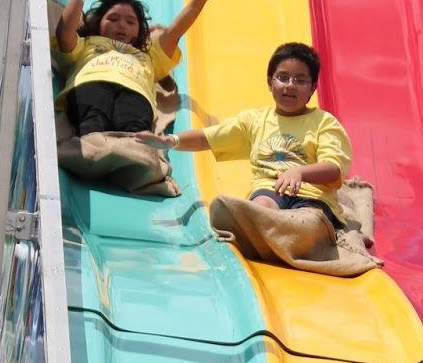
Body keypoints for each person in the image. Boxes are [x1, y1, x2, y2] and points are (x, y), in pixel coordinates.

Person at [138, 41, 350, 227]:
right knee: (261, 206)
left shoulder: (324, 122)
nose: (289, 86)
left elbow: (333, 170)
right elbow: (207, 137)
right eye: (282, 78)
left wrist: (299, 173)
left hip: (312, 198)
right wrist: (171, 141)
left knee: (308, 220)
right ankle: (261, 224)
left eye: (300, 80)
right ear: (270, 82)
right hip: (270, 191)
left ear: (313, 87)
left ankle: (284, 230)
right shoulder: (254, 120)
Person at [54, 0, 223, 136]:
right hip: (92, 81)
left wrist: (199, 0)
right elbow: (64, 34)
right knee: (93, 119)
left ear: (139, 32)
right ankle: (93, 147)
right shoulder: (87, 44)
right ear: (98, 23)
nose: (121, 25)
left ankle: (132, 155)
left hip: (135, 91)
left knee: (134, 126)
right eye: (113, 19)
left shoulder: (148, 55)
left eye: (130, 22)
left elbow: (174, 33)